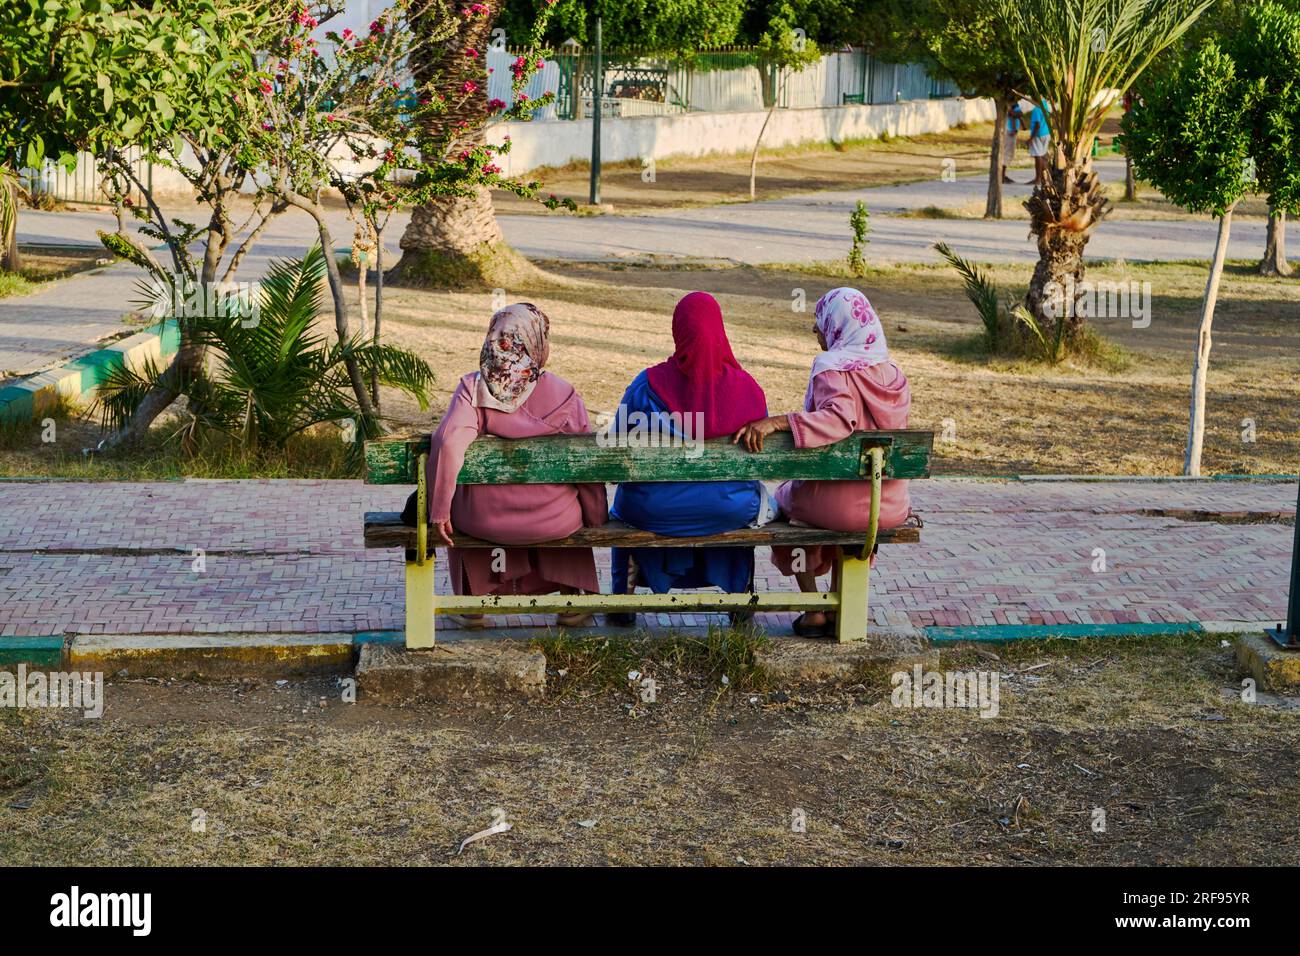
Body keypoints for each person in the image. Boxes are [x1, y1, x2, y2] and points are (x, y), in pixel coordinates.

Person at [407, 303, 608, 629]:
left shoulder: (473, 389)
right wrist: (596, 518)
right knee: (564, 503)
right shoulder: (565, 394)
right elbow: (586, 467)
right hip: (552, 521)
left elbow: (446, 444)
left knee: (466, 504)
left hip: (483, 521)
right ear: (537, 341)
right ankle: (573, 601)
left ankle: (473, 605)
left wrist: (439, 510)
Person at [733, 287, 913, 638]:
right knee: (819, 501)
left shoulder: (832, 369)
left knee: (785, 502)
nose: (816, 331)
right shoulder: (894, 374)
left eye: (821, 323)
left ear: (840, 326)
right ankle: (843, 608)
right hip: (887, 505)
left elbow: (839, 418)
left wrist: (779, 422)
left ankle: (815, 608)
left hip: (838, 508)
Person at [607, 291, 772, 626]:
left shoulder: (647, 385)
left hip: (652, 510)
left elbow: (614, 447)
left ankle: (622, 599)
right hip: (728, 510)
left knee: (621, 508)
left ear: (678, 331)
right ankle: (740, 596)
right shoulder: (748, 389)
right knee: (742, 500)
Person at [1027, 99, 1052, 186]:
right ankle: (1046, 178)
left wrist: (1031, 138)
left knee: (1038, 156)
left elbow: (1037, 125)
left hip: (1038, 135)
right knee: (1042, 155)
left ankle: (1037, 179)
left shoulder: (1036, 109)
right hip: (1046, 133)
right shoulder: (1046, 106)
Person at [1002, 97, 1024, 184]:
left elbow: (1019, 115)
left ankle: (1003, 175)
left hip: (1012, 131)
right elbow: (1014, 115)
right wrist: (1014, 129)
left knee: (1009, 154)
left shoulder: (1014, 104)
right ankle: (1002, 176)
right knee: (1007, 154)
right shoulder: (1010, 104)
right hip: (1010, 132)